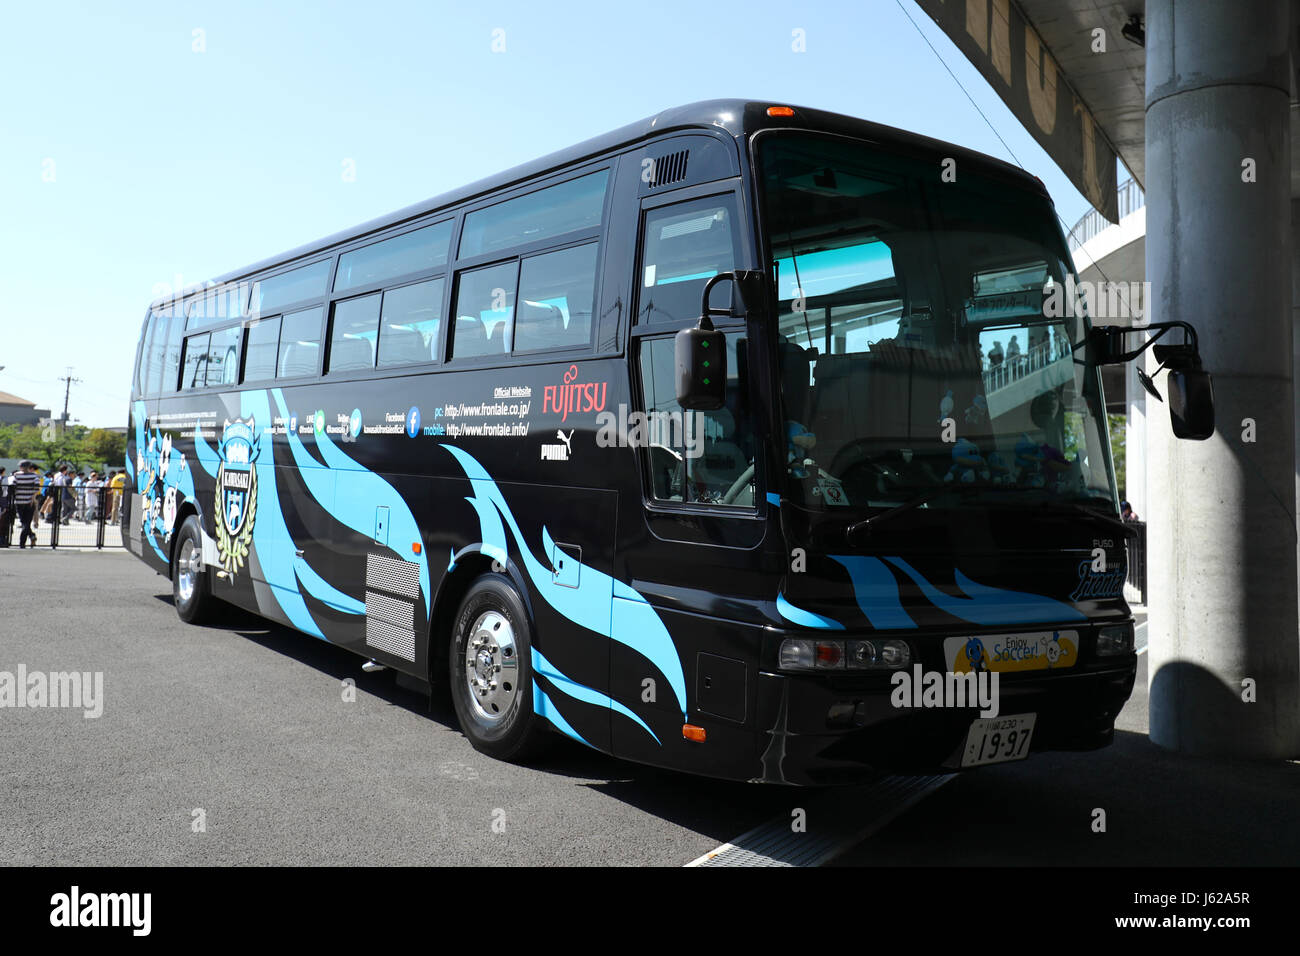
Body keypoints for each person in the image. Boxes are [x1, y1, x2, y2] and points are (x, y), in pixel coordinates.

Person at [11, 461, 42, 549]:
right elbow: (36, 488)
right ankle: (26, 540)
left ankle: (23, 542)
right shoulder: (34, 476)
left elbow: (13, 486)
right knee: (27, 523)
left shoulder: (16, 475)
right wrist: (33, 497)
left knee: (23, 522)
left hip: (19, 501)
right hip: (30, 502)